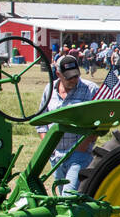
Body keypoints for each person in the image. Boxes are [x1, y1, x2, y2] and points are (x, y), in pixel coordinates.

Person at [39, 55, 99, 195]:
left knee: (68, 196)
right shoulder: (49, 90)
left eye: (76, 76)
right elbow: (41, 120)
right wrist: (48, 146)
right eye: (69, 77)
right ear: (58, 74)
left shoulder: (90, 89)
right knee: (63, 198)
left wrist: (84, 145)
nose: (73, 80)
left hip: (79, 154)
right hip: (55, 155)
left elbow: (101, 122)